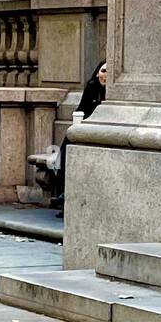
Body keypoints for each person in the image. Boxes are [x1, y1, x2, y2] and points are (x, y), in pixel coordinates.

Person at [51, 60, 106, 212]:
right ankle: (63, 196)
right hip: (85, 129)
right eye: (103, 71)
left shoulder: (115, 94)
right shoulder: (91, 87)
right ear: (97, 74)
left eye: (109, 71)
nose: (105, 75)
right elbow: (81, 110)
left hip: (102, 133)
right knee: (66, 148)